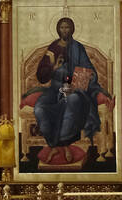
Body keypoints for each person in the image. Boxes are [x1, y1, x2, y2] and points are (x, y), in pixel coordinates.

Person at [30, 18, 103, 163]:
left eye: (68, 27)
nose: (65, 30)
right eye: (62, 27)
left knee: (72, 100)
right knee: (39, 108)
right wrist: (54, 68)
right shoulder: (53, 48)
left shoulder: (78, 48)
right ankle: (55, 145)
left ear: (72, 29)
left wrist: (74, 84)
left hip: (75, 88)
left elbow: (89, 70)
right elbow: (41, 75)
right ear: (58, 29)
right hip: (55, 88)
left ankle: (64, 144)